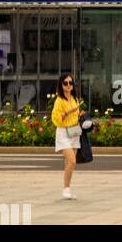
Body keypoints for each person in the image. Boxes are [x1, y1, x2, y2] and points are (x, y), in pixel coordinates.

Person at [51, 72, 82, 200]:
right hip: (63, 132)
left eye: (70, 83)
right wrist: (69, 112)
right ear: (61, 85)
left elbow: (76, 114)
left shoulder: (74, 99)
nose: (68, 85)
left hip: (74, 131)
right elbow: (56, 118)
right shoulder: (59, 101)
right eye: (65, 83)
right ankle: (66, 189)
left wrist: (79, 114)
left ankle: (67, 188)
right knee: (72, 161)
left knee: (69, 163)